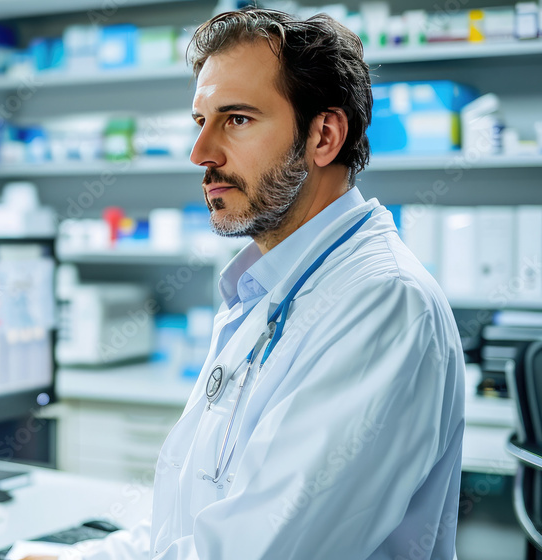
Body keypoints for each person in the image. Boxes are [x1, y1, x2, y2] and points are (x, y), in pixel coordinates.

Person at [24, 7, 464, 560]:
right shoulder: (268, 290)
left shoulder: (383, 305)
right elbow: (203, 520)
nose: (200, 154)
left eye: (236, 119)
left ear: (323, 135)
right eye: (200, 121)